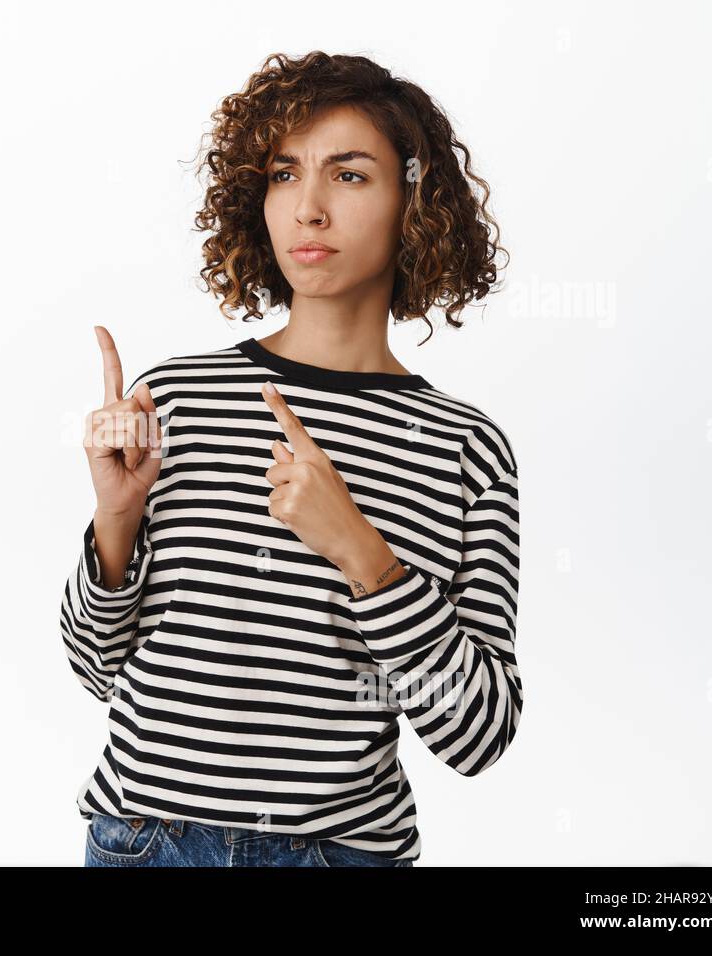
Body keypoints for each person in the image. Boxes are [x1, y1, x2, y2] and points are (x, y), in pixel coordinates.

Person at [61, 51, 520, 867]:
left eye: (348, 176)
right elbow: (95, 668)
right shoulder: (175, 400)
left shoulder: (464, 448)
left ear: (414, 200)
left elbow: (478, 732)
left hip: (337, 854)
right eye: (283, 174)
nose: (308, 208)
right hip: (145, 844)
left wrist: (361, 552)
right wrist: (115, 519)